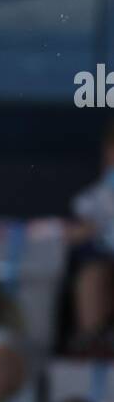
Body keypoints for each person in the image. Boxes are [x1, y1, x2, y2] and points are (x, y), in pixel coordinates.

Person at [67, 123, 114, 354]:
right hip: (105, 265)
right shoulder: (90, 199)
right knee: (92, 275)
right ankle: (93, 346)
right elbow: (73, 235)